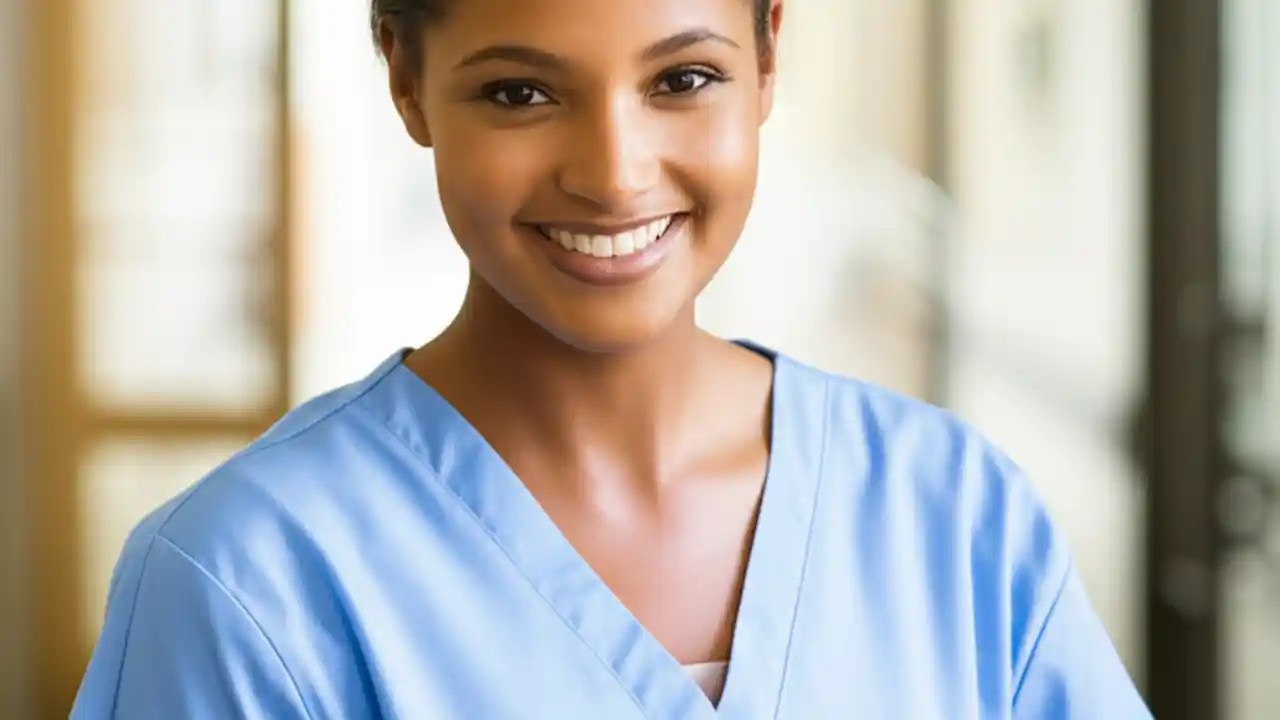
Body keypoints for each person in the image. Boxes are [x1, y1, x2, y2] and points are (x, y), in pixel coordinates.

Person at [72, 0, 1151, 717]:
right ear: (403, 78)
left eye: (681, 80)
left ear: (768, 54)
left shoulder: (952, 514)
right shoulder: (244, 580)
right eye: (519, 93)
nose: (615, 175)